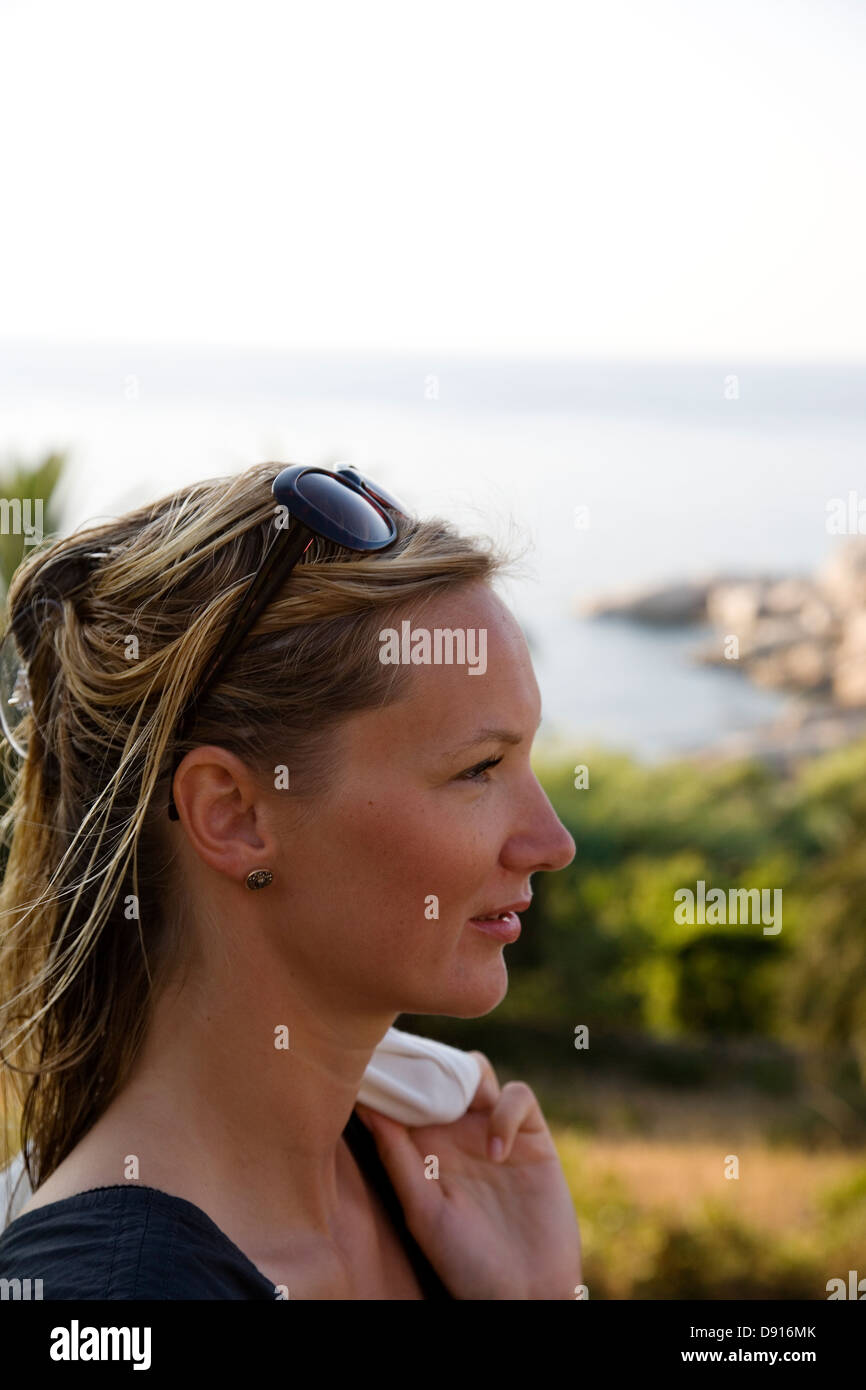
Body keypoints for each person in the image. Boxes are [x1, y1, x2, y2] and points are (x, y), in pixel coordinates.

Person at [0, 461, 580, 1299]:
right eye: (479, 769)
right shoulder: (107, 1296)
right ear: (235, 815)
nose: (551, 842)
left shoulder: (427, 1199)